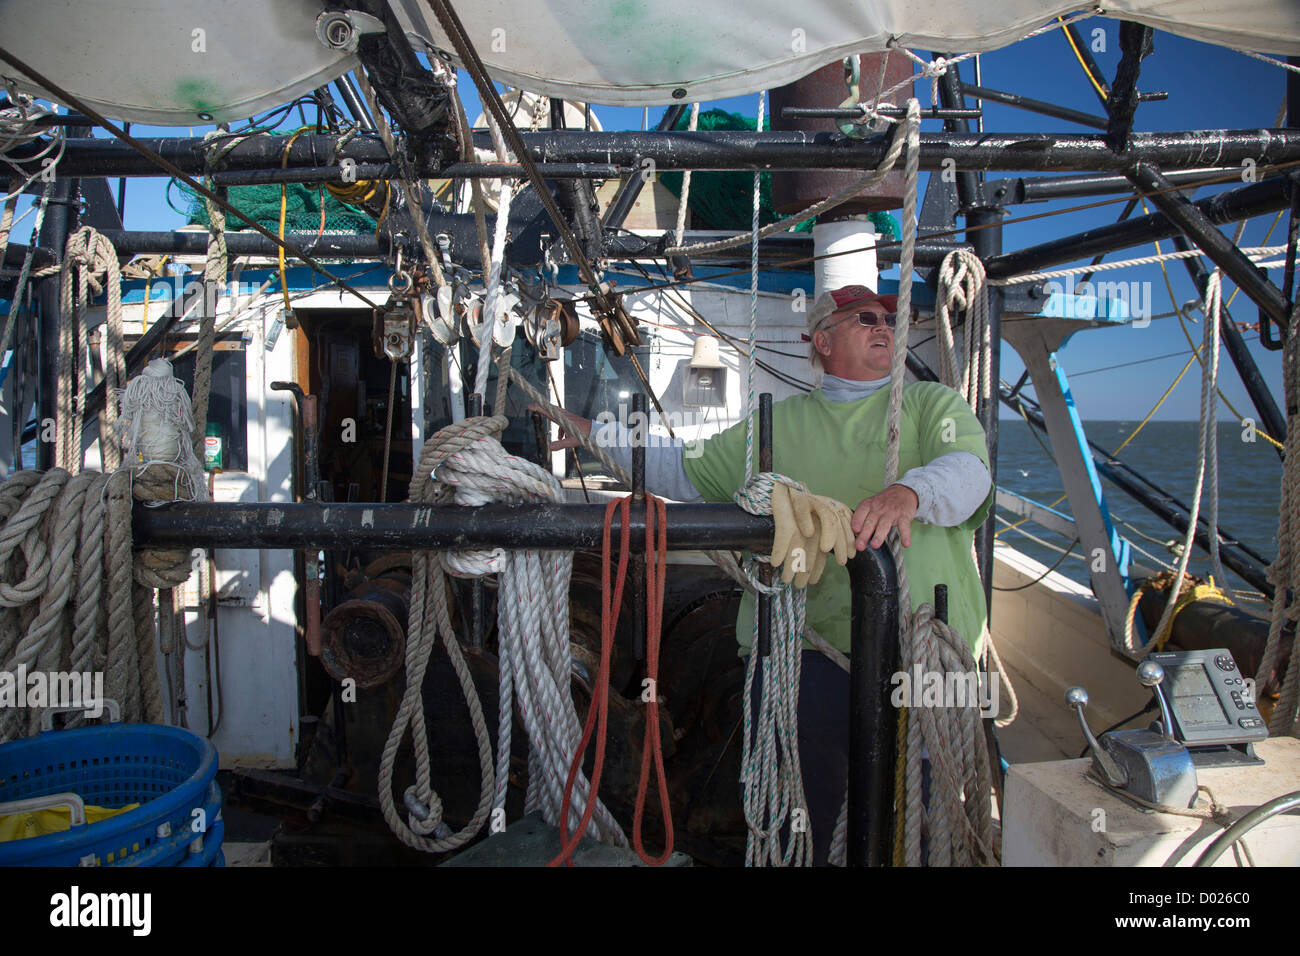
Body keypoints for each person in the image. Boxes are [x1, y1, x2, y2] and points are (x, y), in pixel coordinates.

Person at [534, 284, 992, 864]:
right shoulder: (778, 425)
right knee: (812, 807)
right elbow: (680, 472)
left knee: (923, 816)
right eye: (865, 318)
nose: (885, 327)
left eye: (893, 320)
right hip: (808, 653)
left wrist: (909, 493)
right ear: (822, 340)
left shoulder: (931, 405)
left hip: (924, 651)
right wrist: (594, 435)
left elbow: (969, 473)